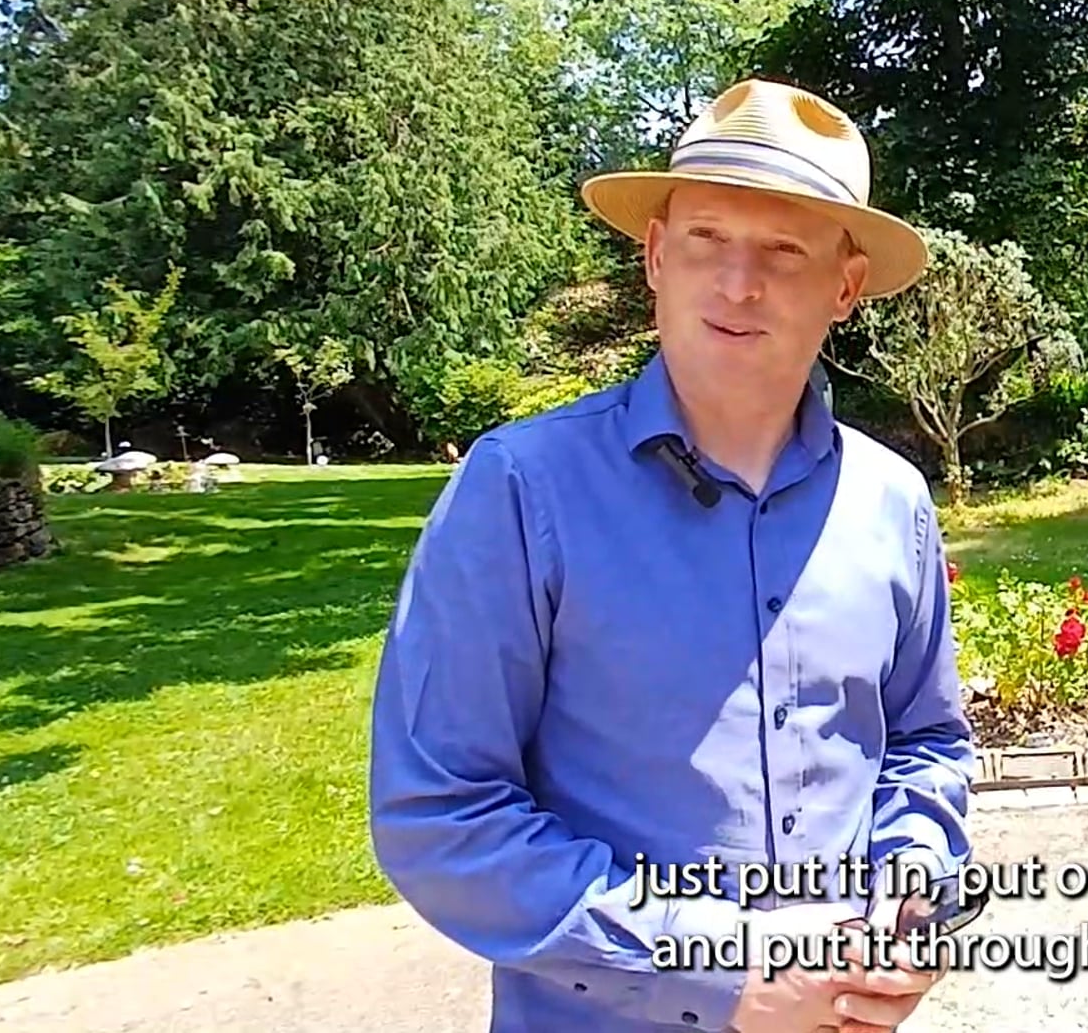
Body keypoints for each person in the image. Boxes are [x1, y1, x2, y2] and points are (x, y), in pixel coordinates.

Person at [368, 78, 976, 1033]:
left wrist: (911, 898)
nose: (737, 284)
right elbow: (440, 812)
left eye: (784, 250)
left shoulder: (892, 501)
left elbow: (924, 743)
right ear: (655, 255)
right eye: (705, 239)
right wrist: (716, 969)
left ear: (846, 286)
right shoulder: (522, 490)